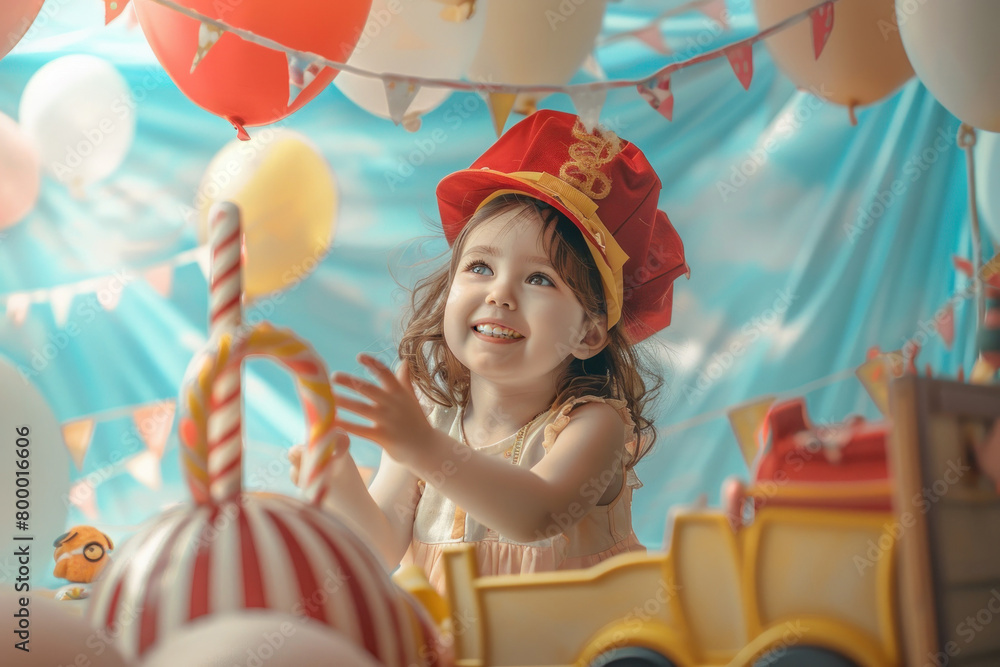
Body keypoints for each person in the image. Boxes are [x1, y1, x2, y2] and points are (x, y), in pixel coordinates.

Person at [290, 109, 689, 594]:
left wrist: (420, 447)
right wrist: (335, 478)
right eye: (480, 267)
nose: (499, 294)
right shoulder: (431, 420)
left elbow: (538, 514)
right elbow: (379, 548)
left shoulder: (593, 426)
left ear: (588, 333)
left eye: (539, 278)